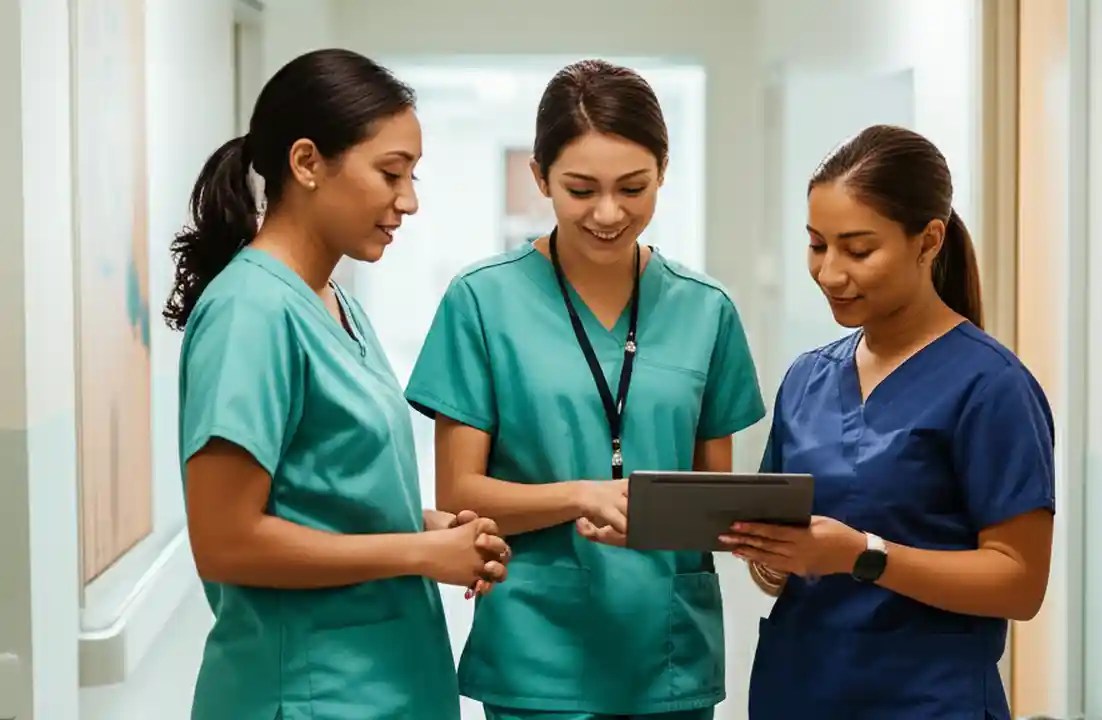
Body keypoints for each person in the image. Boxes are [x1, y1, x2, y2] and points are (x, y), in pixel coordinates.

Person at [405, 58, 767, 720]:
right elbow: (459, 493)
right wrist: (582, 495)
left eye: (633, 188)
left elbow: (715, 503)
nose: (608, 213)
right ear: (540, 176)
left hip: (667, 649)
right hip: (536, 647)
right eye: (580, 189)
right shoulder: (483, 301)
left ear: (664, 171)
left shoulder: (705, 309)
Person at [169, 48, 511, 720]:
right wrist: (419, 551)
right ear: (306, 164)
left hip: (380, 686)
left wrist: (435, 528)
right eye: (391, 174)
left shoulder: (332, 301)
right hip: (305, 694)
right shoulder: (251, 312)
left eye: (412, 175)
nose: (407, 201)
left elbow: (324, 496)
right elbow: (226, 540)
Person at [722, 125, 1055, 719]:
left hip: (925, 700)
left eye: (857, 250)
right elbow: (779, 568)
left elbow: (1019, 582)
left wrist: (863, 555)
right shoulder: (807, 379)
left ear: (928, 242)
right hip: (800, 690)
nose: (829, 272)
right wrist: (772, 558)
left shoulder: (991, 387)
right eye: (817, 245)